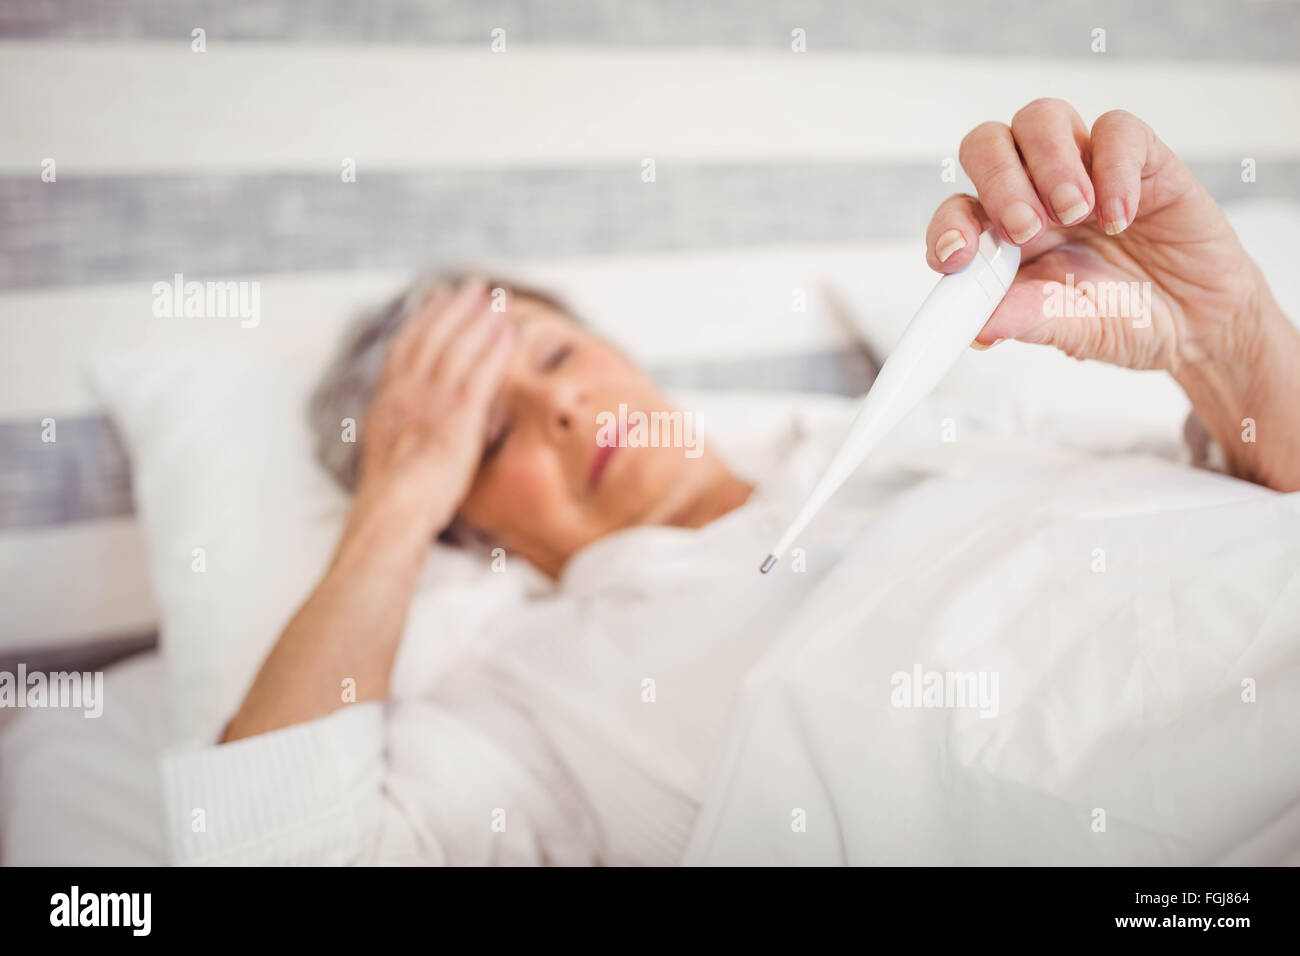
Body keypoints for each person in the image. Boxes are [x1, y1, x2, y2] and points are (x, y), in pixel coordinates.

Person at [161, 99, 1300, 865]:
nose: (557, 407)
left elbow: (1268, 491)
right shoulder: (531, 694)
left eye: (555, 357)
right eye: (486, 430)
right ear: (459, 513)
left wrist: (1228, 340)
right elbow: (272, 850)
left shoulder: (948, 421)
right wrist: (394, 500)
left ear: (619, 353)